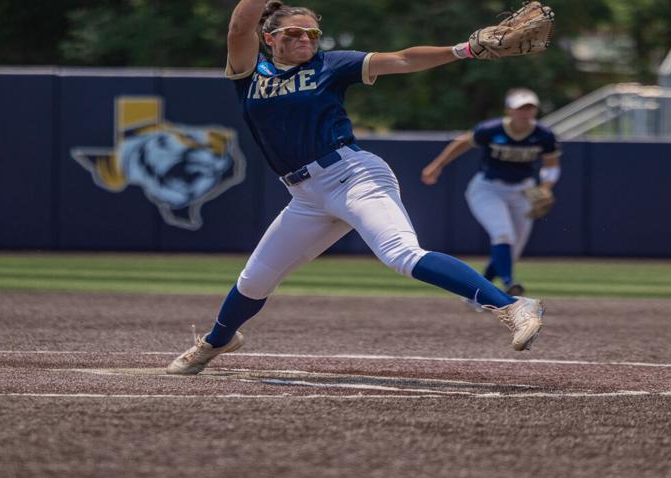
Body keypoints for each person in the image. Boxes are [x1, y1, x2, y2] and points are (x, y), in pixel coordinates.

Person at [166, 0, 550, 375]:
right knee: (254, 280)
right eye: (294, 33)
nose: (305, 40)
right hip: (304, 196)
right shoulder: (250, 73)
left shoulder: (330, 64)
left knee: (401, 254)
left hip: (353, 176)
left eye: (312, 33)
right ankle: (217, 341)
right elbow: (238, 26)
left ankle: (512, 305)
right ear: (270, 38)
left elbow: (402, 59)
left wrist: (463, 49)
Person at [420, 87, 561, 299]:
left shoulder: (544, 134)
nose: (525, 112)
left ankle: (475, 295)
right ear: (509, 110)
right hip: (488, 188)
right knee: (503, 234)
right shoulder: (492, 129)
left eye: (530, 107)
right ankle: (509, 283)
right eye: (521, 108)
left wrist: (546, 187)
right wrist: (437, 165)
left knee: (512, 250)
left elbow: (551, 164)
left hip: (523, 190)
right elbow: (462, 143)